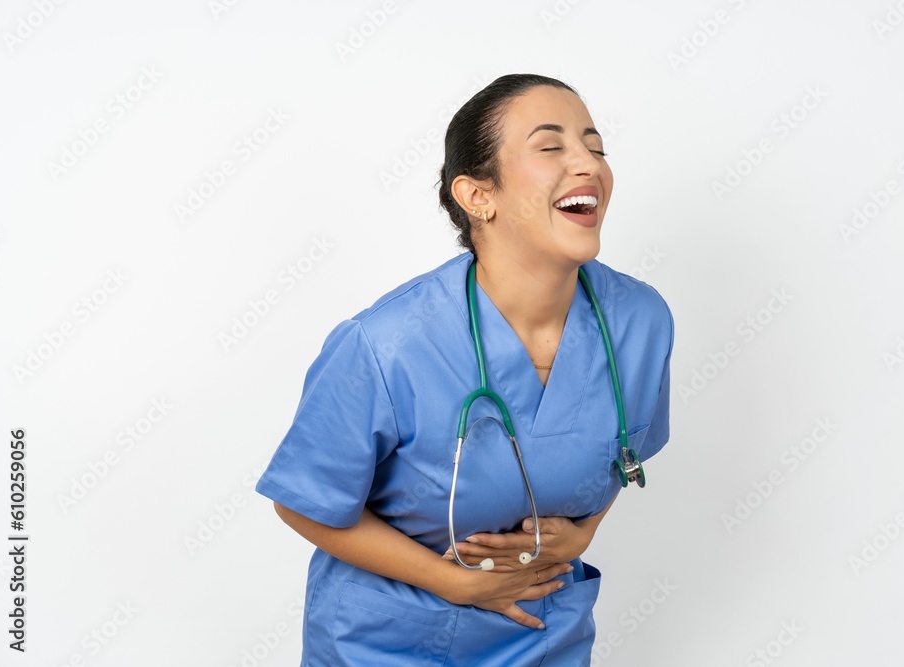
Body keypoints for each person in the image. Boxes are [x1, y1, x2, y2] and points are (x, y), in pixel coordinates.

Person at [255, 73, 675, 666]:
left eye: (596, 147)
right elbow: (302, 501)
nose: (589, 165)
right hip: (387, 641)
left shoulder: (639, 322)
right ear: (479, 196)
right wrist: (454, 583)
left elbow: (626, 455)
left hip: (543, 631)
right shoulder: (386, 344)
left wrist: (584, 532)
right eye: (552, 146)